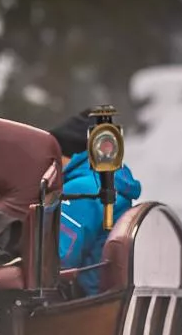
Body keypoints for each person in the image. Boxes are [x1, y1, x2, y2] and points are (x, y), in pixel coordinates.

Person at [48, 110, 141, 296]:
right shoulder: (111, 183)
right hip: (103, 295)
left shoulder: (83, 189)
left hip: (79, 303)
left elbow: (56, 259)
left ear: (66, 154)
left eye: (52, 152)